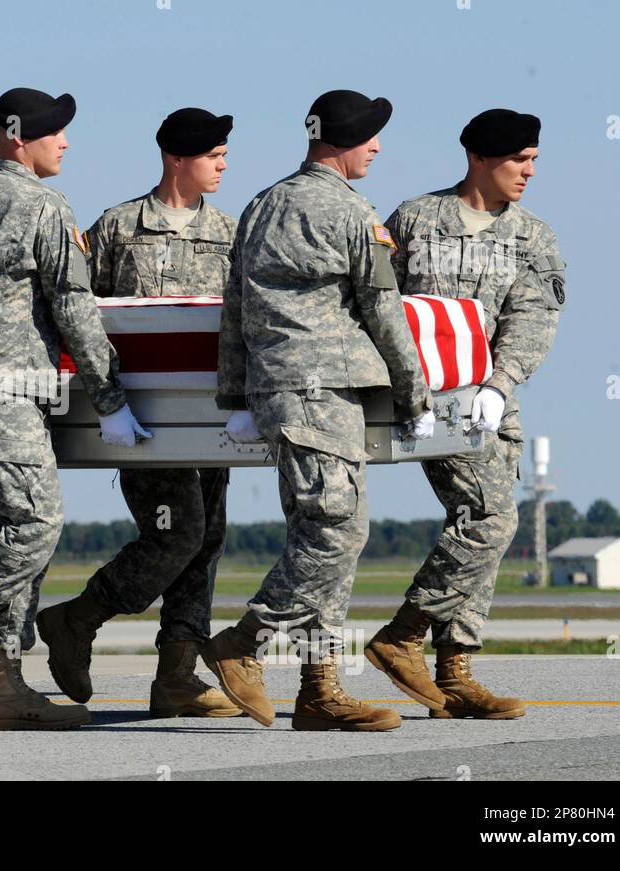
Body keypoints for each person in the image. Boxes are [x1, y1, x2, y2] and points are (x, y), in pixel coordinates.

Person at [0, 87, 149, 730]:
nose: (65, 142)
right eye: (55, 132)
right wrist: (111, 399)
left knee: (11, 538)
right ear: (19, 138)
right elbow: (74, 309)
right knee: (34, 527)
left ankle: (5, 687)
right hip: (2, 392)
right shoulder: (44, 205)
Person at [208, 90, 435, 731]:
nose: (379, 148)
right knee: (337, 531)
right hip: (321, 391)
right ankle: (244, 642)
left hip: (287, 392)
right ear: (342, 141)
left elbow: (234, 310)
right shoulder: (352, 213)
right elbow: (384, 311)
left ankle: (320, 688)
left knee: (326, 536)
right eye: (371, 138)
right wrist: (413, 391)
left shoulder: (260, 205)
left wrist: (236, 394)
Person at [37, 107, 240, 719]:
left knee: (205, 540)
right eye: (214, 154)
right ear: (179, 158)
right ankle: (77, 618)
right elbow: (71, 311)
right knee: (175, 533)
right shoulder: (117, 229)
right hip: (143, 422)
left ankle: (175, 674)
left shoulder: (231, 233)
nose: (224, 164)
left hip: (211, 418)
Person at [366, 109, 563, 720]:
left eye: (533, 161)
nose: (529, 173)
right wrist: (399, 389)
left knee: (481, 528)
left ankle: (454, 672)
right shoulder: (416, 219)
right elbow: (379, 304)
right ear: (480, 158)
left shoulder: (533, 235)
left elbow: (532, 318)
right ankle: (403, 634)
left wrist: (500, 385)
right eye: (518, 162)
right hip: (429, 402)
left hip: (489, 406)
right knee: (491, 519)